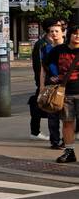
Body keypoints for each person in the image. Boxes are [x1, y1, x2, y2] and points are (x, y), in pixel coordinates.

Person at [46, 26, 79, 163]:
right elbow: (47, 63)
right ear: (70, 35)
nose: (78, 36)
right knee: (67, 123)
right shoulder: (59, 50)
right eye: (75, 34)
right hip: (66, 92)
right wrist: (52, 76)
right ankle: (69, 152)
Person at [31, 19, 66, 148]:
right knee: (53, 115)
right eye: (52, 31)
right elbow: (42, 69)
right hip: (51, 86)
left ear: (63, 32)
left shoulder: (69, 48)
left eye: (57, 31)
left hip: (67, 85)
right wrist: (41, 86)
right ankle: (55, 141)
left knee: (67, 116)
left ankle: (65, 139)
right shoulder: (46, 49)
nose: (54, 34)